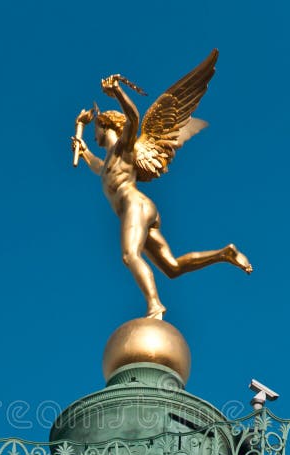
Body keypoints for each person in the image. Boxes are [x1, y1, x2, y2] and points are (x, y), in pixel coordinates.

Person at [72, 53, 252, 319]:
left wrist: (118, 93)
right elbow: (99, 168)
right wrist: (82, 144)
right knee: (172, 267)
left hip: (134, 204)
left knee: (129, 255)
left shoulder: (125, 145)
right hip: (143, 209)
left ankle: (155, 305)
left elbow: (133, 117)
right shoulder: (109, 161)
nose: (94, 136)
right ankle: (223, 253)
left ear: (105, 125)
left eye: (95, 131)